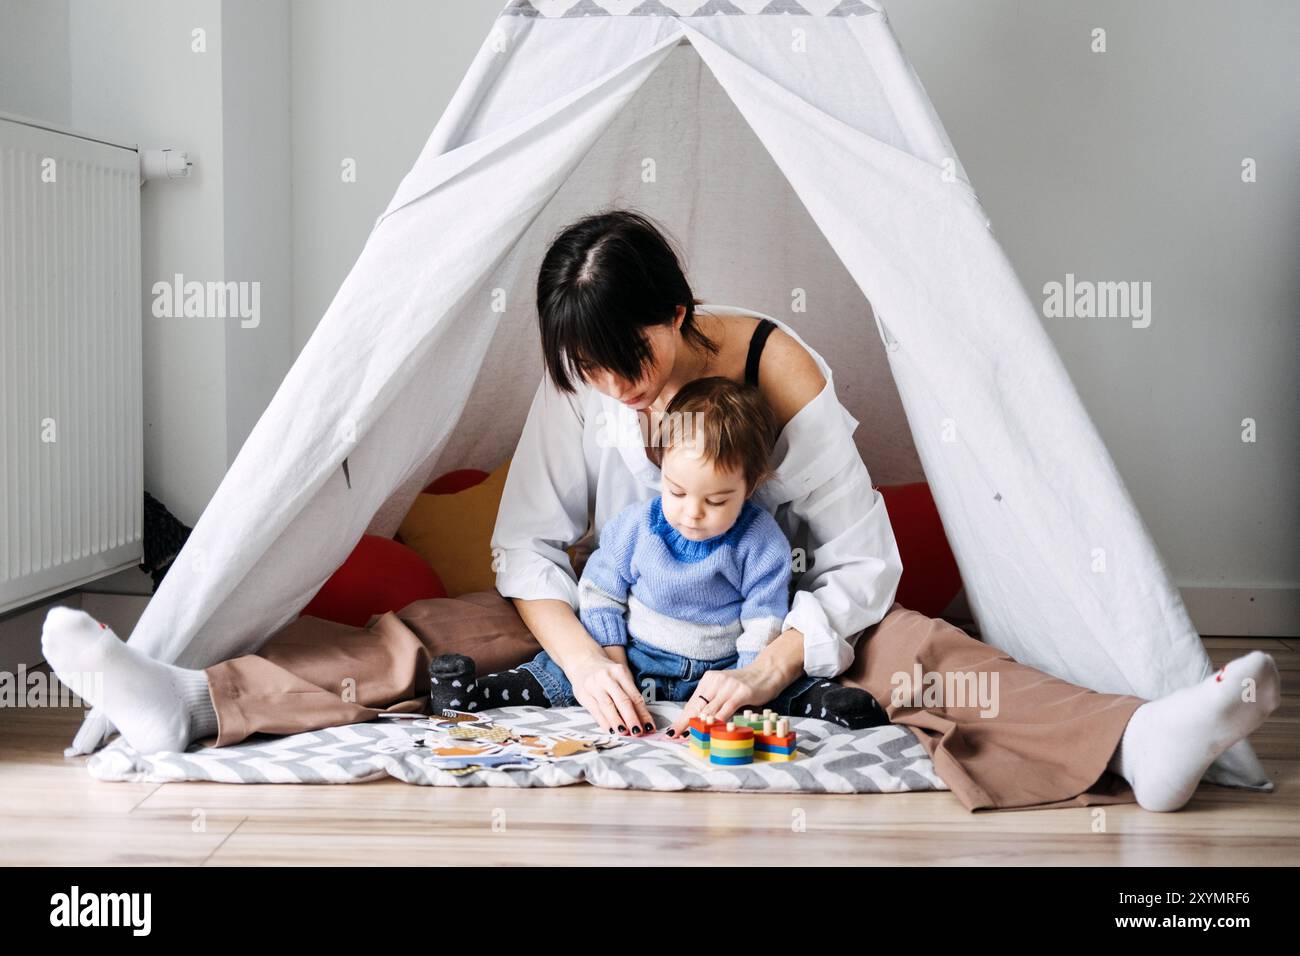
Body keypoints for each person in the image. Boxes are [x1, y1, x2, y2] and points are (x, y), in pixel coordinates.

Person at [40, 208, 1280, 813]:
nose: (616, 392)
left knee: (932, 654)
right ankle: (196, 699)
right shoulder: (585, 384)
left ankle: (1133, 741)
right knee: (430, 627)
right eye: (589, 372)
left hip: (768, 637)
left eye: (629, 360)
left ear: (679, 310)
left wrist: (775, 659)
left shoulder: (776, 372)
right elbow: (530, 541)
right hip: (616, 631)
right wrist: (579, 658)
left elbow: (865, 561)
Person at [427, 376, 889, 731]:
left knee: (784, 686)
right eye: (677, 491)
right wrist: (609, 659)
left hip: (719, 665)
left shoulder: (760, 541)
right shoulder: (637, 526)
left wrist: (744, 680)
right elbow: (601, 590)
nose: (692, 514)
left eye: (716, 501)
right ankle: (473, 695)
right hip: (637, 654)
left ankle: (831, 705)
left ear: (750, 489)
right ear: (660, 464)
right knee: (556, 673)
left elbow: (763, 617)